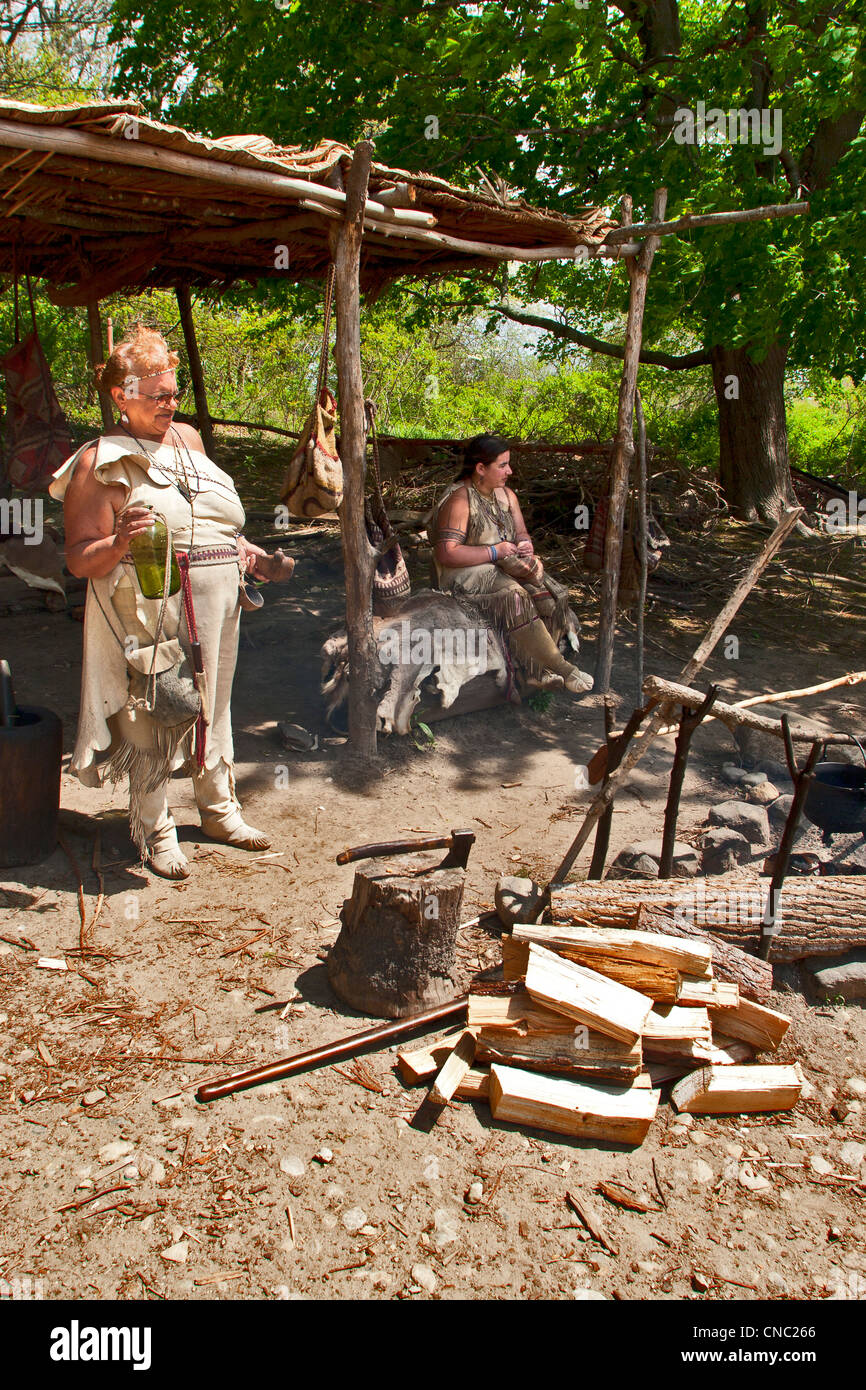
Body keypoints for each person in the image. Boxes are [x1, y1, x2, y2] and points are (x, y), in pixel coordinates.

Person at [50, 323, 272, 880]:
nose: (170, 405)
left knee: (213, 702)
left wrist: (245, 550)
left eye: (174, 393)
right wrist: (120, 539)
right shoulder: (98, 461)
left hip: (219, 598)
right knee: (152, 709)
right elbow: (79, 559)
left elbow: (208, 519)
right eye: (157, 396)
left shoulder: (189, 441)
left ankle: (219, 810)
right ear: (121, 396)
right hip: (149, 603)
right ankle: (156, 828)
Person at [431, 434, 593, 692]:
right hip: (462, 574)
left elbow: (521, 534)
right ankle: (562, 668)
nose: (510, 470)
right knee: (515, 596)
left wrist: (525, 545)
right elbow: (447, 553)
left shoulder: (506, 496)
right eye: (503, 465)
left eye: (509, 464)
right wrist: (495, 551)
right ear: (481, 468)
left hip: (500, 567)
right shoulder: (460, 500)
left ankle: (533, 671)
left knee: (546, 595)